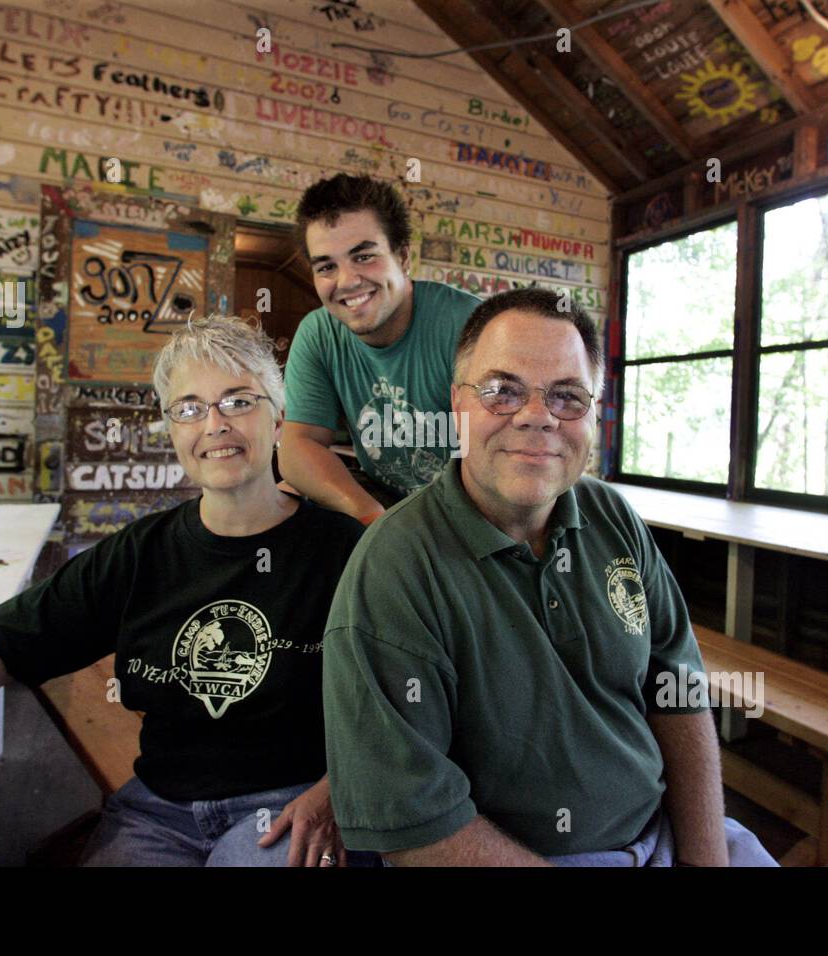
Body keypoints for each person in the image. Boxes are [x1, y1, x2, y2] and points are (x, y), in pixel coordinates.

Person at [0, 315, 373, 868]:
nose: (214, 424)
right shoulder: (141, 554)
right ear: (170, 427)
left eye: (238, 401)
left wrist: (338, 791)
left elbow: (411, 698)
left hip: (296, 802)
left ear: (280, 415)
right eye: (188, 408)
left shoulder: (349, 553)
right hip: (159, 808)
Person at [321, 288, 780, 867]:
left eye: (567, 396)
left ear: (593, 413)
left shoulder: (614, 517)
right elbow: (416, 826)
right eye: (502, 390)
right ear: (457, 404)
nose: (537, 415)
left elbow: (679, 688)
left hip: (663, 830)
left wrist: (704, 857)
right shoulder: (395, 567)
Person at [278, 173, 480, 524]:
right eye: (327, 266)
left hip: (475, 511)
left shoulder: (471, 326)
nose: (347, 281)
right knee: (282, 500)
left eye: (364, 256)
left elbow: (510, 455)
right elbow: (297, 449)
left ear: (402, 256)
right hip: (389, 504)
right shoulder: (318, 333)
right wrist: (371, 517)